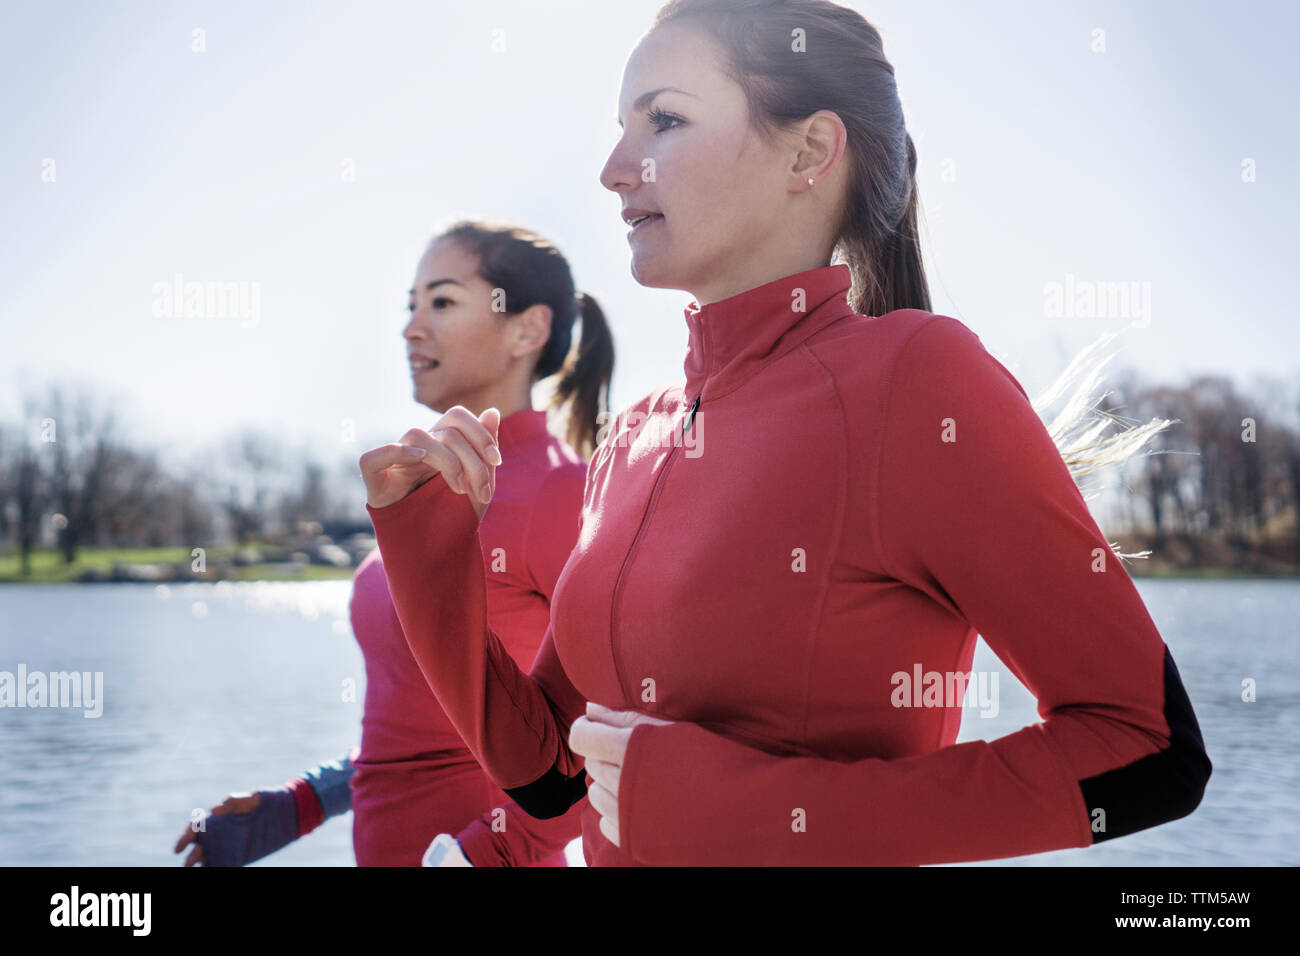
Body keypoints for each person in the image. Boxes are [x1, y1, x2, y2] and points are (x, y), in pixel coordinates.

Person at [360, 0, 1211, 866]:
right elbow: (551, 774)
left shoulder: (919, 379)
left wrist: (761, 812)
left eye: (664, 120)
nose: (615, 169)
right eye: (619, 128)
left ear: (809, 151)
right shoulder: (634, 437)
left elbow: (1149, 752)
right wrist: (427, 549)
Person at [173, 219, 614, 866]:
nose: (412, 327)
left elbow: (605, 730)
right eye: (410, 306)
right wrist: (303, 801)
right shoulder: (426, 491)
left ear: (527, 329)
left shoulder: (560, 491)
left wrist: (487, 856)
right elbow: (421, 728)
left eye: (442, 301)